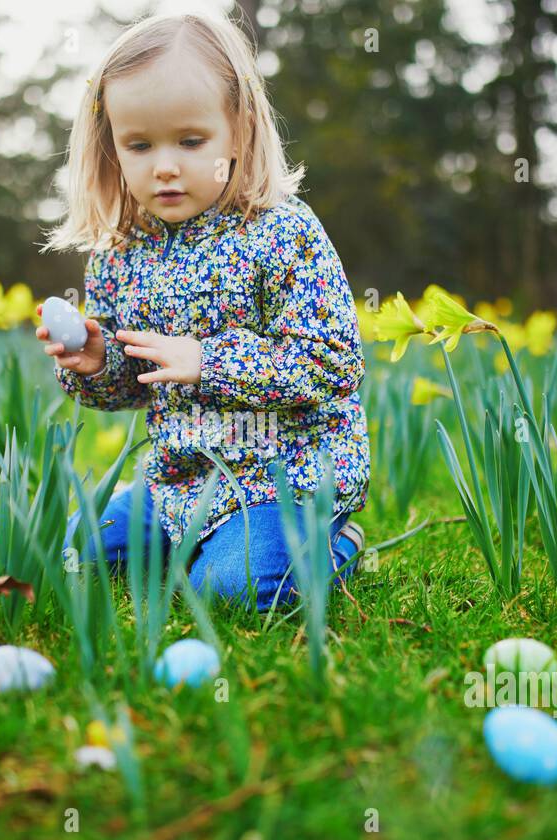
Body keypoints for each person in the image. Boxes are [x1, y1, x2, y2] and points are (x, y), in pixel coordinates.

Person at [37, 12, 370, 611]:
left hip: (283, 480)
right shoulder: (120, 251)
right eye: (139, 144)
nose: (165, 165)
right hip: (177, 483)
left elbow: (334, 363)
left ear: (238, 131)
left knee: (229, 592)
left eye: (191, 142)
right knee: (74, 559)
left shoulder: (281, 232)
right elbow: (130, 387)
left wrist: (208, 361)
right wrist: (96, 362)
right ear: (112, 145)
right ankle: (198, 544)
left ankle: (332, 540)